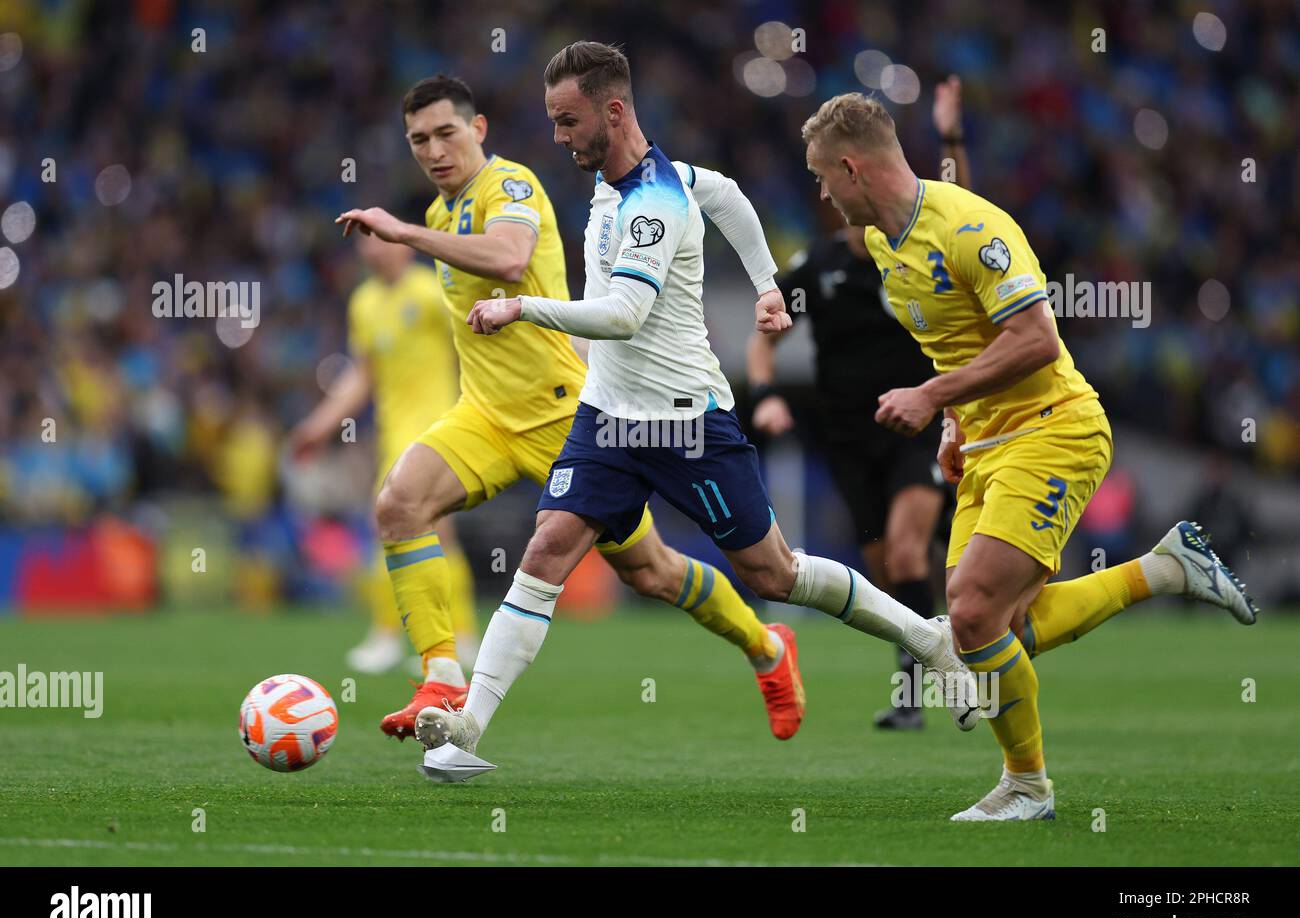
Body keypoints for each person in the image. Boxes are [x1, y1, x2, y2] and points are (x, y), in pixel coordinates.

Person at [414, 42, 982, 780]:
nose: (557, 138)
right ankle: (467, 730)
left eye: (567, 121)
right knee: (547, 547)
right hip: (607, 421)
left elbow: (622, 314)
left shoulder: (654, 202)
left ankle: (929, 639)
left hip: (687, 423)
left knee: (775, 575)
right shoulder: (642, 180)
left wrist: (522, 306)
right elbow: (728, 195)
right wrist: (768, 283)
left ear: (612, 114)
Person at [800, 91, 1257, 820]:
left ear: (852, 168)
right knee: (996, 629)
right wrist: (953, 419)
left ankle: (1028, 787)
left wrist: (929, 394)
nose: (821, 193)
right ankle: (1168, 569)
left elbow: (1038, 340)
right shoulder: (887, 244)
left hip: (1055, 427)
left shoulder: (973, 227)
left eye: (824, 177)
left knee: (972, 615)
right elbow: (959, 339)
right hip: (984, 442)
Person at [335, 74, 807, 744]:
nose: (434, 150)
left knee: (653, 571)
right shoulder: (443, 214)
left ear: (478, 130)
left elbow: (509, 256)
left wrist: (403, 234)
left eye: (446, 132)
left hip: (564, 415)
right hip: (486, 415)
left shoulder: (511, 187)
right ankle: (440, 676)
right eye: (419, 140)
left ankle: (765, 646)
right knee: (398, 506)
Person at [748, 76, 971, 730]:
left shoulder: (907, 244)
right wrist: (764, 394)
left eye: (827, 179)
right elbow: (763, 332)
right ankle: (924, 673)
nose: (824, 194)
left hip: (917, 426)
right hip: (850, 436)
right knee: (884, 571)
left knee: (904, 555)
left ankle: (928, 688)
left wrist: (952, 133)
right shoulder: (817, 266)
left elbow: (961, 202)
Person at [288, 232, 477, 676]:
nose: (374, 249)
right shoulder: (364, 303)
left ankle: (407, 636)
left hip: (438, 430)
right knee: (416, 529)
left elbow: (472, 350)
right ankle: (439, 635)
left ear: (404, 244)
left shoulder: (431, 294)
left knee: (418, 527)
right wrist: (319, 426)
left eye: (382, 240)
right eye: (365, 243)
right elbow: (362, 376)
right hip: (395, 435)